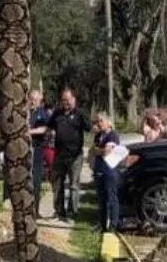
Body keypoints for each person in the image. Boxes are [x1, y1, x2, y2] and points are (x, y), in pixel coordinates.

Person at [48, 88, 92, 222]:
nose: (65, 102)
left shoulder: (80, 113)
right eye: (63, 100)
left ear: (73, 99)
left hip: (75, 156)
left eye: (67, 100)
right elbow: (49, 127)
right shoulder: (57, 113)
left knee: (73, 185)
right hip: (59, 155)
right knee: (57, 184)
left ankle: (72, 213)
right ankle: (59, 212)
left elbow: (89, 128)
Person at [91, 112, 122, 233]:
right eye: (97, 121)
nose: (99, 123)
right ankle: (102, 225)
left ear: (108, 122)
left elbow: (107, 151)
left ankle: (113, 226)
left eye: (101, 120)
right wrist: (99, 150)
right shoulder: (98, 135)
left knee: (112, 198)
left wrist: (98, 150)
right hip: (99, 170)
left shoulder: (113, 135)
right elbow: (93, 150)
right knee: (101, 199)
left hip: (110, 171)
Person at [26, 90, 50, 215]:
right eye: (31, 98)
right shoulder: (24, 112)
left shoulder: (42, 113)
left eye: (35, 99)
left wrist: (28, 132)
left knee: (36, 179)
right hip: (24, 149)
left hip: (37, 149)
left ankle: (35, 210)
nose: (32, 101)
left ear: (39, 100)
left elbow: (44, 129)